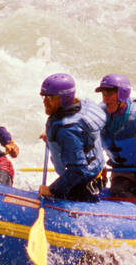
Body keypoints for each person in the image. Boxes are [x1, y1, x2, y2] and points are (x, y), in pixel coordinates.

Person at [38, 73, 105, 203]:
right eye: (44, 96)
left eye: (50, 98)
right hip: (94, 174)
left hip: (83, 186)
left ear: (64, 99)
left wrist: (52, 190)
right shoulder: (79, 108)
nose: (45, 101)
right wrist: (52, 136)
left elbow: (78, 170)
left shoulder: (67, 131)